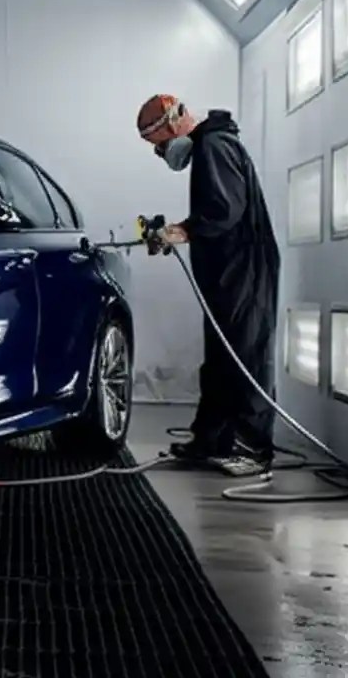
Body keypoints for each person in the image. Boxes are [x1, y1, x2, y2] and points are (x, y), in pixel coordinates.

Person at [136, 95, 281, 477]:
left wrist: (182, 231)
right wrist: (179, 233)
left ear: (172, 123)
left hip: (244, 272)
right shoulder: (209, 147)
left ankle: (254, 450)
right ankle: (210, 442)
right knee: (219, 361)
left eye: (161, 145)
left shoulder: (214, 146)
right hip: (225, 273)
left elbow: (223, 209)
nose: (163, 154)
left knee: (246, 357)